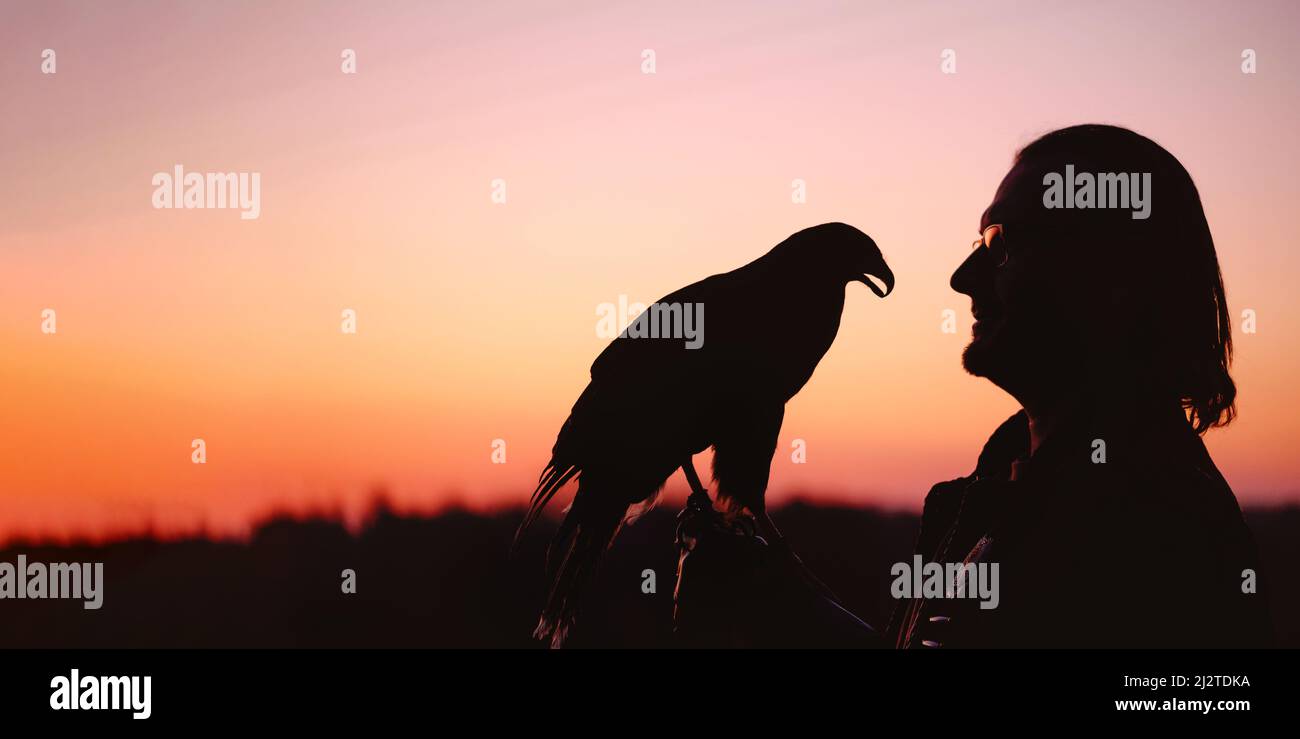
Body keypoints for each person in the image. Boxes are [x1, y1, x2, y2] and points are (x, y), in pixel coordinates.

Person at [887, 124, 1273, 648]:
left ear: (1116, 274)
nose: (963, 276)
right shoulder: (992, 494)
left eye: (1000, 242)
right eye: (979, 241)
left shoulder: (1170, 539)